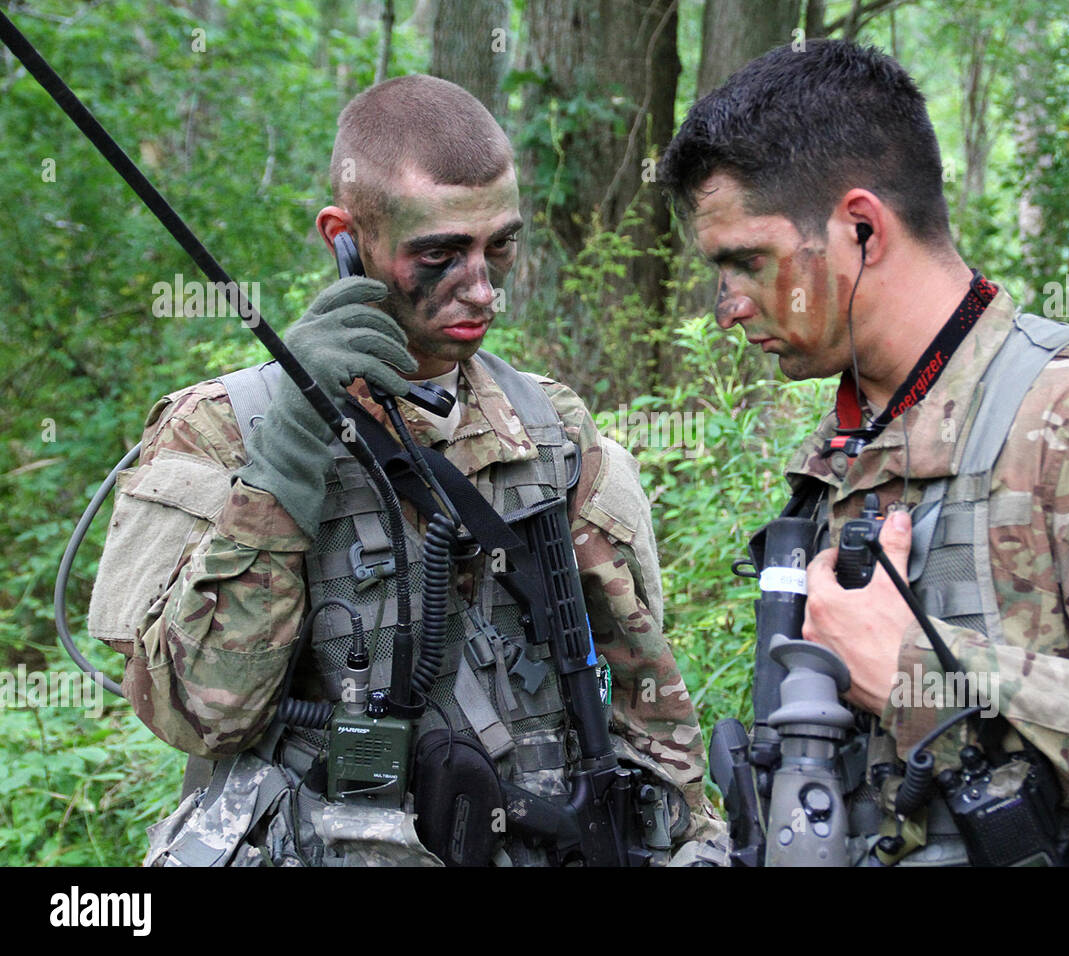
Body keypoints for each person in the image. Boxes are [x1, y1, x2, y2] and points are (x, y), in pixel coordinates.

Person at [660, 39, 1069, 866]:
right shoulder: (849, 446)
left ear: (860, 228)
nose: (729, 308)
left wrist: (928, 670)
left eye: (749, 262)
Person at [90, 74, 724, 866]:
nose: (483, 288)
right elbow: (201, 717)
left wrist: (689, 838)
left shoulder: (551, 428)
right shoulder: (223, 431)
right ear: (345, 238)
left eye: (501, 247)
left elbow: (641, 682)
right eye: (440, 254)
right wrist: (288, 454)